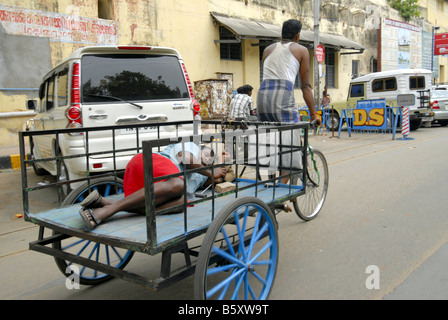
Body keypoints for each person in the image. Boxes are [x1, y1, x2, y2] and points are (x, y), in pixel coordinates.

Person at [78, 142, 226, 229]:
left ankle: (106, 203)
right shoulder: (190, 147)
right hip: (147, 165)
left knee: (182, 203)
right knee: (178, 184)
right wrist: (212, 172)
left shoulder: (201, 174)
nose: (207, 158)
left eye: (209, 159)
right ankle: (109, 210)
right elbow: (187, 159)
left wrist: (218, 170)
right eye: (205, 154)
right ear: (199, 149)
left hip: (148, 193)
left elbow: (217, 180)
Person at [257, 19, 321, 126]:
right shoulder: (301, 50)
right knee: (291, 137)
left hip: (262, 98)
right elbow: (305, 86)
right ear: (297, 36)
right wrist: (314, 115)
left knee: (268, 137)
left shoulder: (267, 49)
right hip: (283, 98)